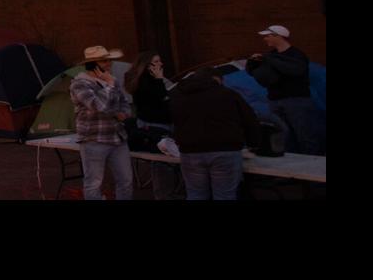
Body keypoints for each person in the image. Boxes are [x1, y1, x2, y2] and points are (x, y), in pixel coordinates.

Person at [169, 64, 264, 201]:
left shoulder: (180, 96)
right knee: (224, 195)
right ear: (216, 79)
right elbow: (250, 120)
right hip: (225, 150)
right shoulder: (229, 94)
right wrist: (253, 143)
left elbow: (171, 119)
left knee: (195, 194)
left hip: (190, 151)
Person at [245, 25, 322, 155]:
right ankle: (291, 165)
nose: (265, 39)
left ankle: (312, 163)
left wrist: (269, 59)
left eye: (268, 36)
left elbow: (295, 70)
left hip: (296, 100)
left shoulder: (296, 55)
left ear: (278, 36)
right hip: (275, 100)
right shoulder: (270, 55)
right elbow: (256, 74)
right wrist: (252, 63)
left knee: (304, 134)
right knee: (284, 136)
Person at [69, 45, 133, 200]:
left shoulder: (112, 80)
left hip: (117, 138)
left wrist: (124, 113)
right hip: (94, 140)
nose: (108, 64)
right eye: (104, 61)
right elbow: (99, 106)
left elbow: (124, 102)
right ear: (92, 64)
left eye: (108, 61)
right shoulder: (79, 84)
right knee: (94, 183)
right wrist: (110, 85)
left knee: (126, 181)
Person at [125, 51, 180, 197]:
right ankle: (163, 194)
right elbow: (161, 98)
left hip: (157, 121)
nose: (160, 64)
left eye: (160, 61)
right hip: (155, 123)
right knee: (162, 160)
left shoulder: (143, 80)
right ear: (146, 65)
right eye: (156, 62)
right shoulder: (145, 82)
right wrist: (159, 80)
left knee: (166, 158)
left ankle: (168, 191)